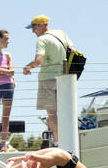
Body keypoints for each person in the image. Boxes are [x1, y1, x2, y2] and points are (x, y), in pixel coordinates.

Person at [21, 15, 71, 145]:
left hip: (47, 79)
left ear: (42, 25)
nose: (33, 31)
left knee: (52, 115)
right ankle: (68, 140)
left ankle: (58, 143)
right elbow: (71, 50)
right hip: (65, 79)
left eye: (34, 27)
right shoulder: (61, 33)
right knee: (65, 111)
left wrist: (27, 67)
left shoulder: (42, 39)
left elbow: (38, 61)